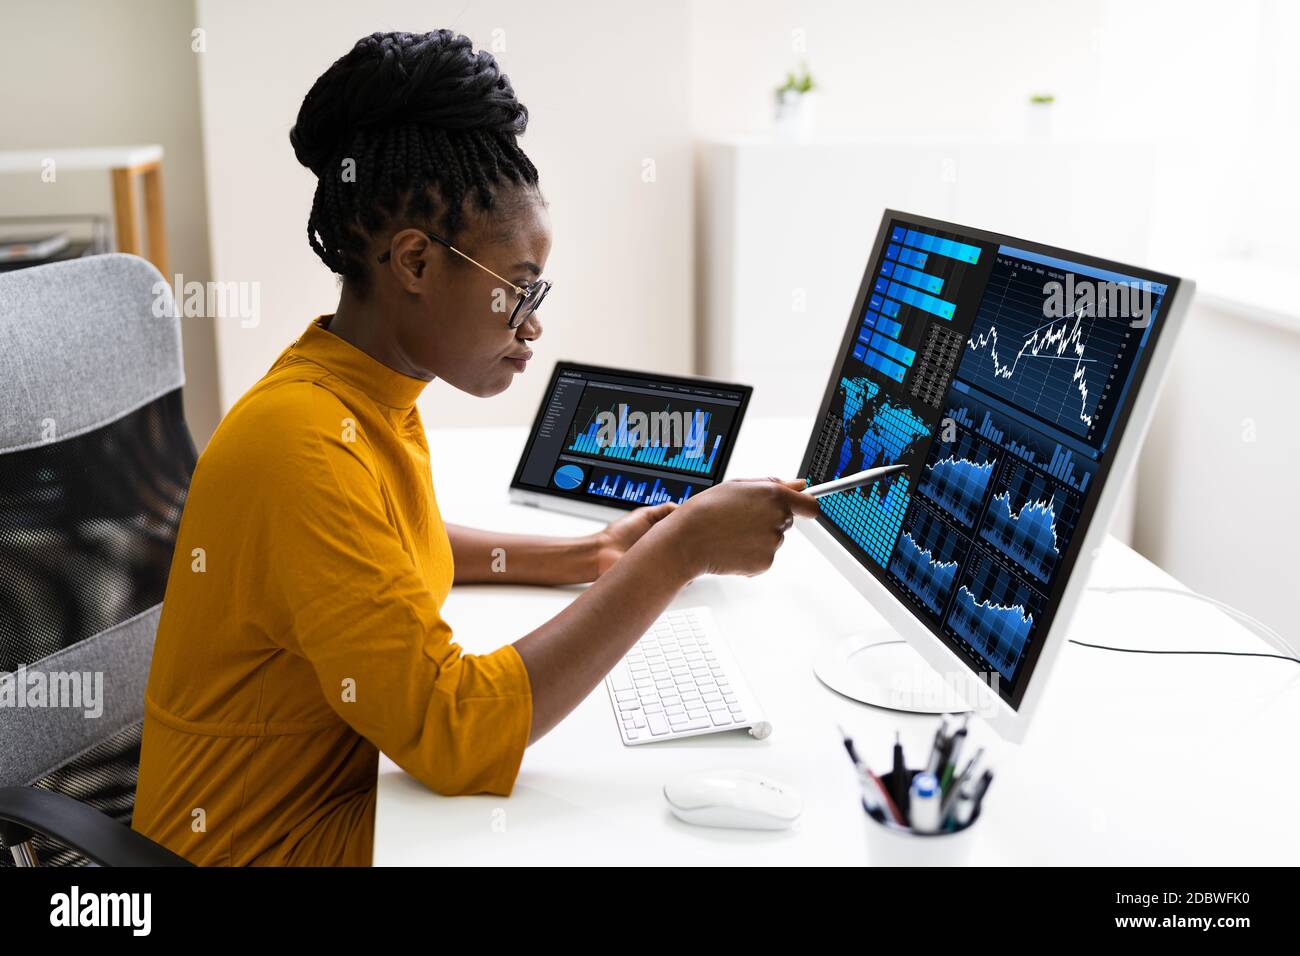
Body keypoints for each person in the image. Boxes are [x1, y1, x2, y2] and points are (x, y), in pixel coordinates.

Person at [132, 29, 818, 866]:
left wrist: (583, 553)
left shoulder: (356, 390)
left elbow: (383, 550)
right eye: (518, 289)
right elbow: (452, 734)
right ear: (415, 261)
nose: (533, 323)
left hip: (340, 802)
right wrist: (677, 552)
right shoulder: (302, 445)